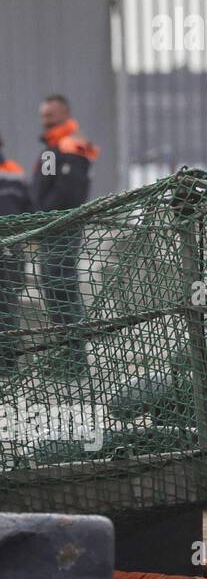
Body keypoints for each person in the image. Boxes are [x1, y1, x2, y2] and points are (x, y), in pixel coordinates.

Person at [31, 95, 99, 374]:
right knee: (52, 285)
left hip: (61, 228)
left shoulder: (70, 147)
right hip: (51, 228)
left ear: (65, 114)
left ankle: (73, 356)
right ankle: (66, 352)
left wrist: (44, 218)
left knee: (61, 285)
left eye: (52, 116)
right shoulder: (53, 148)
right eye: (45, 116)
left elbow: (67, 194)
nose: (47, 121)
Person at [0, 137, 33, 370]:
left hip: (11, 248)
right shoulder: (14, 172)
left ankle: (8, 362)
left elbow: (30, 209)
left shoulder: (14, 172)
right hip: (14, 247)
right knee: (9, 303)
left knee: (8, 303)